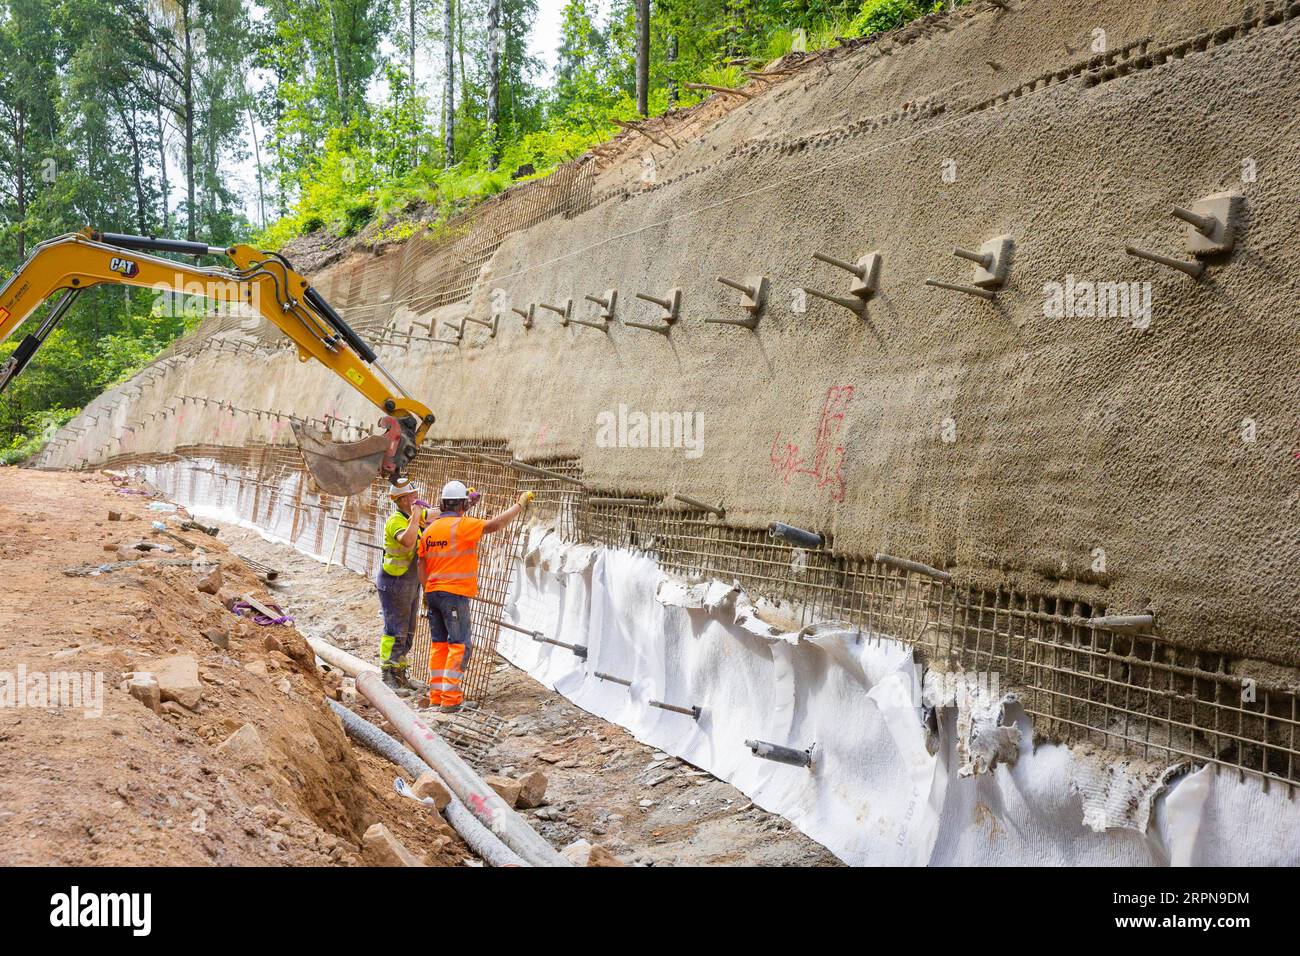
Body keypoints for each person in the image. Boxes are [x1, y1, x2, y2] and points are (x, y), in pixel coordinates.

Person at [417, 480, 532, 712]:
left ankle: (437, 696)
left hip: (433, 593)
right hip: (454, 594)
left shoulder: (430, 530)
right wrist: (519, 505)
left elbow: (421, 562)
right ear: (462, 505)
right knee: (459, 645)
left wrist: (426, 590)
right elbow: (494, 525)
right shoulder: (461, 526)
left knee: (439, 646)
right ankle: (451, 700)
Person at [376, 476, 427, 692]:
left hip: (410, 580)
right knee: (394, 628)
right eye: (413, 496)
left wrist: (459, 502)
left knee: (407, 630)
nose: (417, 498)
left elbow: (434, 514)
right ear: (403, 499)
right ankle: (388, 674)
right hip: (394, 581)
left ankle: (400, 674)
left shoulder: (414, 514)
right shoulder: (396, 520)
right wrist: (416, 516)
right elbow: (407, 541)